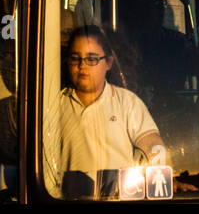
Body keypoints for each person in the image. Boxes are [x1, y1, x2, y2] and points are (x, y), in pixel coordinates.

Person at [55, 25, 166, 198]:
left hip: (118, 198)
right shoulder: (55, 105)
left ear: (109, 62)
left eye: (91, 59)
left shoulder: (127, 103)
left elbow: (153, 146)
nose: (82, 66)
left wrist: (166, 176)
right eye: (75, 59)